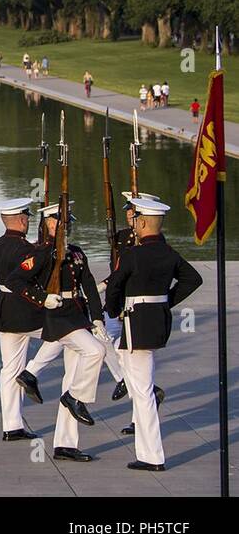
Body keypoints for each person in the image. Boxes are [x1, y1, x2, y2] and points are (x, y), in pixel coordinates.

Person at [104, 197, 202, 470]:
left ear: (143, 222)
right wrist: (166, 300)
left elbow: (114, 286)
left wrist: (112, 311)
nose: (133, 222)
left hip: (136, 323)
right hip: (157, 321)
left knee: (144, 393)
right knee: (125, 361)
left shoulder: (133, 254)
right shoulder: (169, 253)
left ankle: (151, 456)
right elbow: (193, 279)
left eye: (136, 219)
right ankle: (149, 452)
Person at [8, 203, 107, 463]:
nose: (67, 225)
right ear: (49, 224)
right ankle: (77, 398)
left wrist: (97, 318)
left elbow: (89, 287)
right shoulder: (42, 252)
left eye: (68, 221)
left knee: (73, 377)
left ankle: (66, 444)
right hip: (58, 315)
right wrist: (42, 299)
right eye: (60, 221)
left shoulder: (76, 253)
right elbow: (15, 280)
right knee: (96, 351)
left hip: (77, 314)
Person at [0, 198, 46, 442]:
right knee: (66, 336)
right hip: (27, 310)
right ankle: (32, 371)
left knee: (9, 368)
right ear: (22, 220)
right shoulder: (25, 249)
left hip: (5, 309)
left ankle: (11, 426)